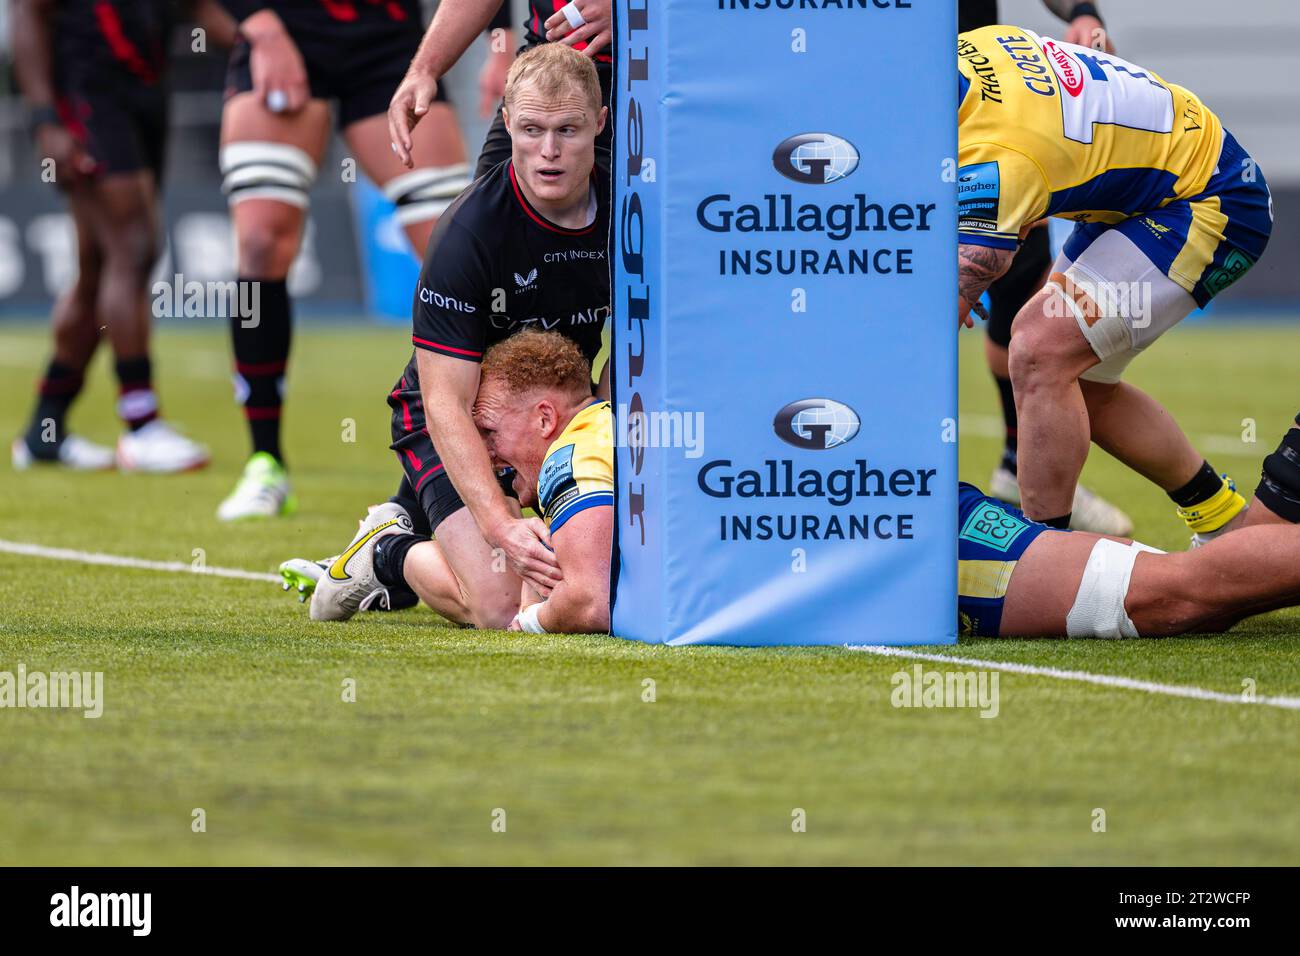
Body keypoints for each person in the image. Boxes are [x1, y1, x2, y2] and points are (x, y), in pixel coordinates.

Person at [304, 43, 611, 628]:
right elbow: (444, 399)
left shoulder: (632, 207)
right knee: (499, 603)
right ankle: (385, 554)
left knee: (588, 576)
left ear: (600, 124)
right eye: (531, 130)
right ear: (506, 124)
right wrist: (500, 526)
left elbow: (642, 342)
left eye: (568, 130)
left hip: (559, 419)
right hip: (460, 416)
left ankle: (418, 518)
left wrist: (606, 427)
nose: (548, 152)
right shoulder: (468, 234)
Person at [956, 25, 1272, 545]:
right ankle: (1221, 520)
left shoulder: (1001, 157)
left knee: (1038, 351)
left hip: (1208, 200)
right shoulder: (971, 45)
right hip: (1150, 185)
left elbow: (955, 290)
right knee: (1071, 377)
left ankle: (1043, 555)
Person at [214, 0, 472, 520]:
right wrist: (261, 29)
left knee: (460, 251)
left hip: (389, 40)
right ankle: (265, 460)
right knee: (262, 241)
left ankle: (465, 462)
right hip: (285, 25)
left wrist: (501, 46)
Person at [10, 0, 225, 473]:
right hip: (86, 94)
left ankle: (45, 428)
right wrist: (45, 118)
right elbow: (26, 14)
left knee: (97, 268)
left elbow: (200, 11)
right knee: (134, 247)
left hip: (145, 91)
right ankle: (141, 424)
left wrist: (274, 39)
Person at [959, 0, 1130, 535]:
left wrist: (1080, 10)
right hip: (895, 111)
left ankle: (1017, 461)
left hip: (985, 112)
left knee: (1020, 305)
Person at [388, 0, 612, 177]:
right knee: (479, 220)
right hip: (547, 61)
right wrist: (424, 70)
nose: (549, 149)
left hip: (639, 74)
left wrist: (634, 9)